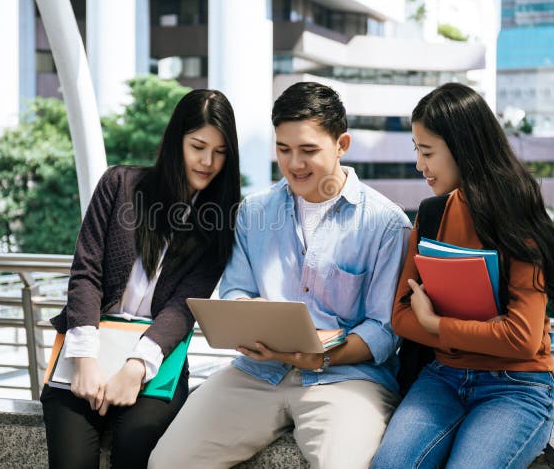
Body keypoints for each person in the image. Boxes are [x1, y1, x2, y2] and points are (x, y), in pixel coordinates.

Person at [149, 82, 412, 469]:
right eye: (283, 150)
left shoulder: (386, 224)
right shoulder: (254, 212)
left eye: (308, 150)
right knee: (167, 462)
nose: (294, 164)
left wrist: (320, 355)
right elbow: (237, 288)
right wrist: (244, 314)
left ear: (342, 145)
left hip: (345, 379)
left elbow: (385, 329)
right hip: (257, 373)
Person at [372, 83, 554, 469]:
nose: (420, 165)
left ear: (462, 147)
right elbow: (401, 316)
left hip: (517, 386)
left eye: (428, 152)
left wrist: (435, 323)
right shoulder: (431, 216)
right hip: (444, 378)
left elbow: (521, 339)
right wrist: (476, 331)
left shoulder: (517, 219)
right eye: (416, 151)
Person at [41, 89, 241, 469]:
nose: (208, 161)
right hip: (89, 345)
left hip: (156, 358)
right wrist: (84, 359)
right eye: (198, 146)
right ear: (175, 141)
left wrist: (135, 370)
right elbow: (85, 272)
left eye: (220, 152)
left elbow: (185, 306)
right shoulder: (119, 185)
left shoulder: (220, 222)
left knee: (136, 448)